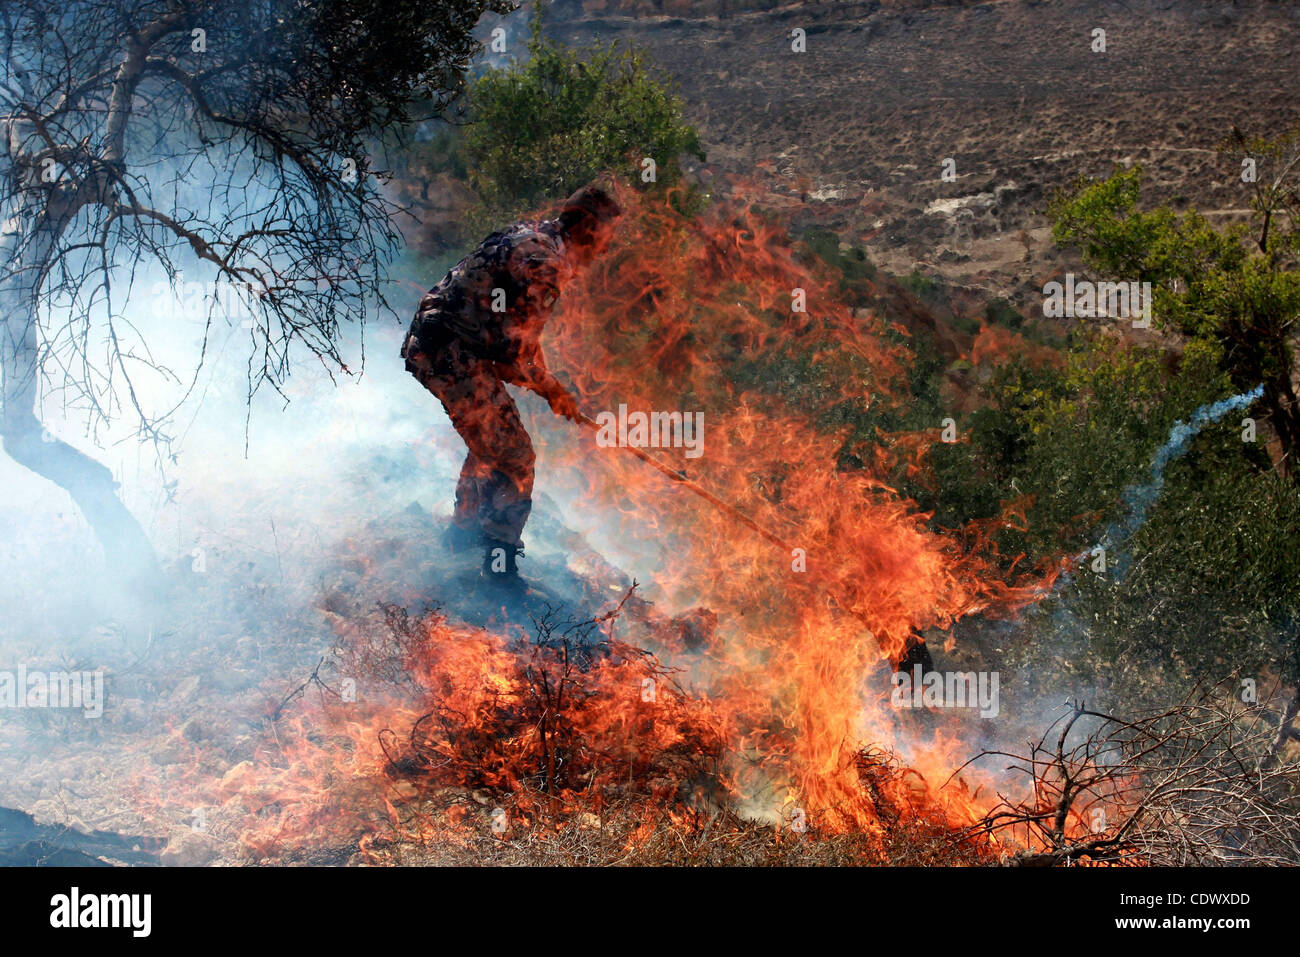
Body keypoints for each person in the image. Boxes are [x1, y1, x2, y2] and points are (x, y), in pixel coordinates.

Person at [401, 184, 621, 584]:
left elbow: (522, 342)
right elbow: (511, 355)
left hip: (443, 345)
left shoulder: (534, 237)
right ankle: (498, 564)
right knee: (515, 455)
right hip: (449, 353)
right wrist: (553, 391)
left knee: (491, 443)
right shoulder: (546, 264)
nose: (605, 250)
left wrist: (550, 384)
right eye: (605, 238)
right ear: (588, 229)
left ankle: (461, 535)